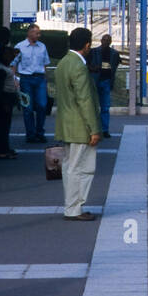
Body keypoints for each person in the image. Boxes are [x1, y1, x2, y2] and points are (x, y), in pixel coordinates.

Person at [55, 27, 101, 221]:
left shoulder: (64, 62)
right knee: (81, 168)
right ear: (87, 45)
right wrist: (95, 129)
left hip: (67, 123)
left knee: (70, 166)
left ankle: (73, 207)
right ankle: (74, 209)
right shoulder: (79, 66)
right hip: (81, 125)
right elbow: (85, 100)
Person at [16, 24, 51, 143]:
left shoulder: (42, 47)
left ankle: (40, 132)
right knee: (28, 108)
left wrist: (46, 81)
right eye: (36, 33)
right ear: (29, 33)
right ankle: (30, 134)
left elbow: (45, 64)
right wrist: (16, 80)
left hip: (40, 79)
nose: (38, 35)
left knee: (42, 105)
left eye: (39, 33)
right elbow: (13, 64)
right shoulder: (20, 46)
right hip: (26, 80)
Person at [87, 34, 121, 138]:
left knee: (105, 107)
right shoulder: (93, 51)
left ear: (110, 42)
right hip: (94, 81)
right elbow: (86, 64)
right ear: (101, 40)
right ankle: (93, 129)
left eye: (108, 40)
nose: (105, 41)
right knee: (92, 106)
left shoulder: (114, 53)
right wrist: (93, 68)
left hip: (106, 81)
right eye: (104, 39)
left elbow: (117, 63)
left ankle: (104, 129)